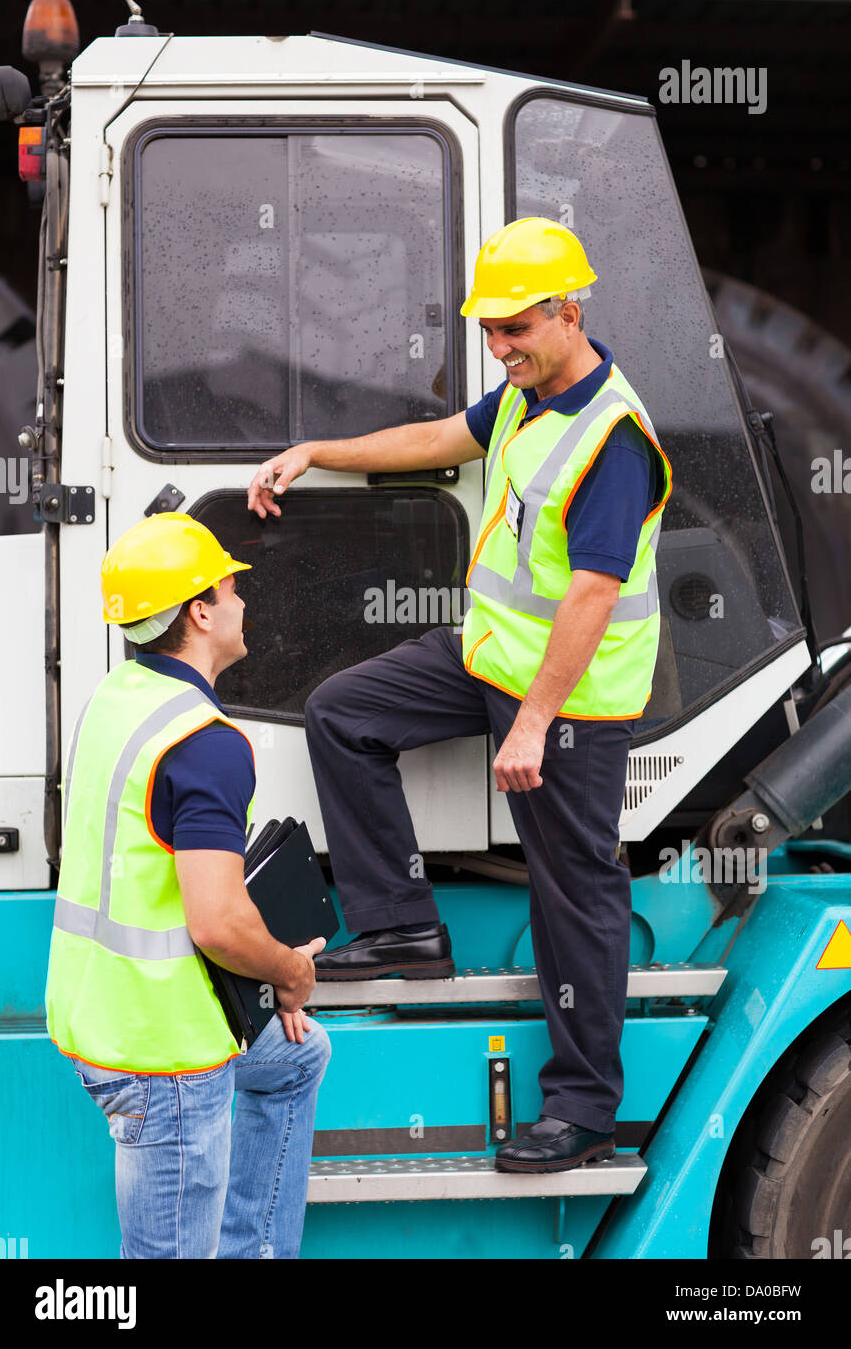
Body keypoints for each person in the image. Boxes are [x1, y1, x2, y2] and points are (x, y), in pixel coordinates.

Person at [247, 217, 672, 1174]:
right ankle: (403, 923)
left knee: (576, 901)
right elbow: (446, 434)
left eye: (514, 328)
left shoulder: (613, 438)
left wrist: (530, 723)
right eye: (490, 329)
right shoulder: (530, 393)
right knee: (343, 714)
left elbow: (594, 597)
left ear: (570, 313)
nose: (499, 347)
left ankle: (583, 1114)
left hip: (570, 702)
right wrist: (321, 449)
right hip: (492, 657)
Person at [44, 512, 331, 1257]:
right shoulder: (205, 744)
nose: (244, 603)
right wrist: (290, 972)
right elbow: (216, 925)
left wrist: (261, 991)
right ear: (201, 611)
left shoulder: (116, 697)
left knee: (298, 1057)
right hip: (162, 1055)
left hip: (100, 1014)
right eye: (232, 587)